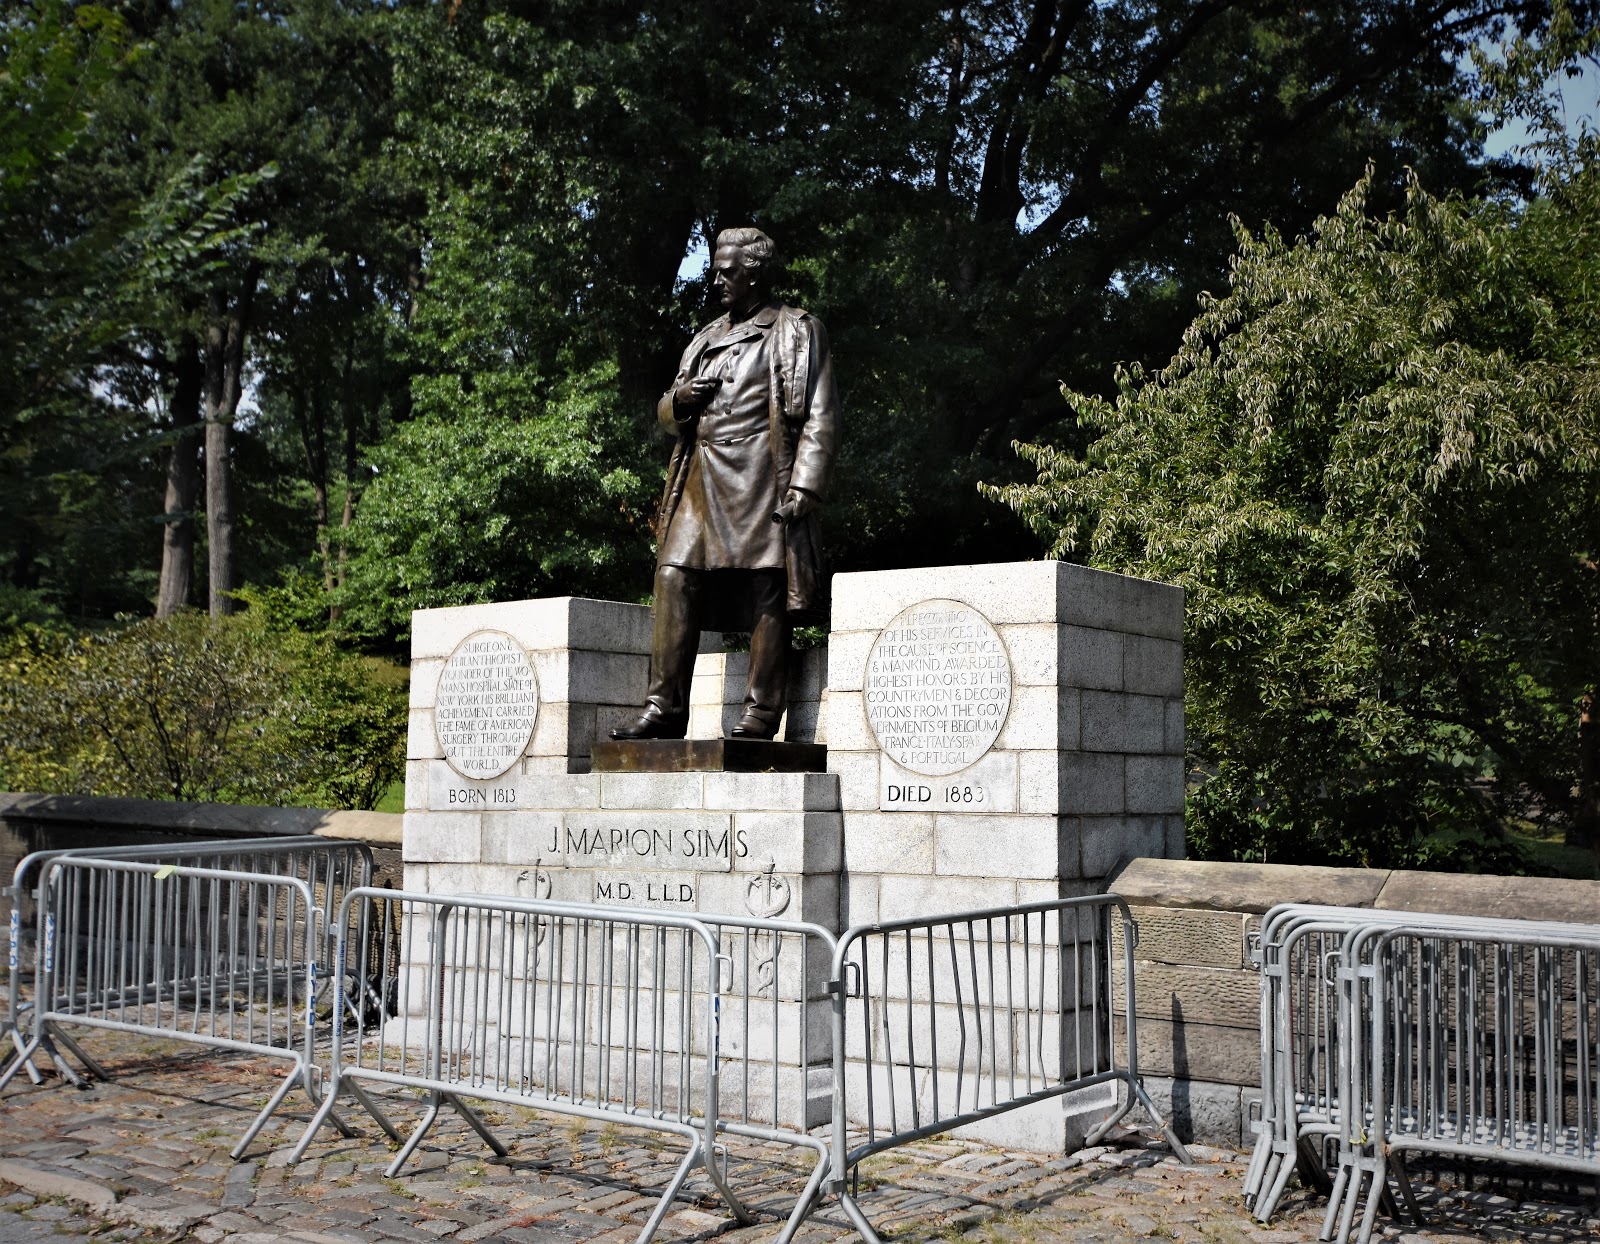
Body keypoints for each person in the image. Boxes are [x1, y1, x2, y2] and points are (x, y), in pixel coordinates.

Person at [612, 227, 838, 741]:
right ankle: (664, 708)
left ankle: (761, 713)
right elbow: (668, 413)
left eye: (727, 271)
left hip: (762, 470)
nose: (716, 280)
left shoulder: (798, 330)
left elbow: (822, 415)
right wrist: (681, 399)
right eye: (715, 270)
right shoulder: (705, 338)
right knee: (672, 576)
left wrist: (804, 485)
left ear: (755, 273)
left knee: (766, 584)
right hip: (701, 473)